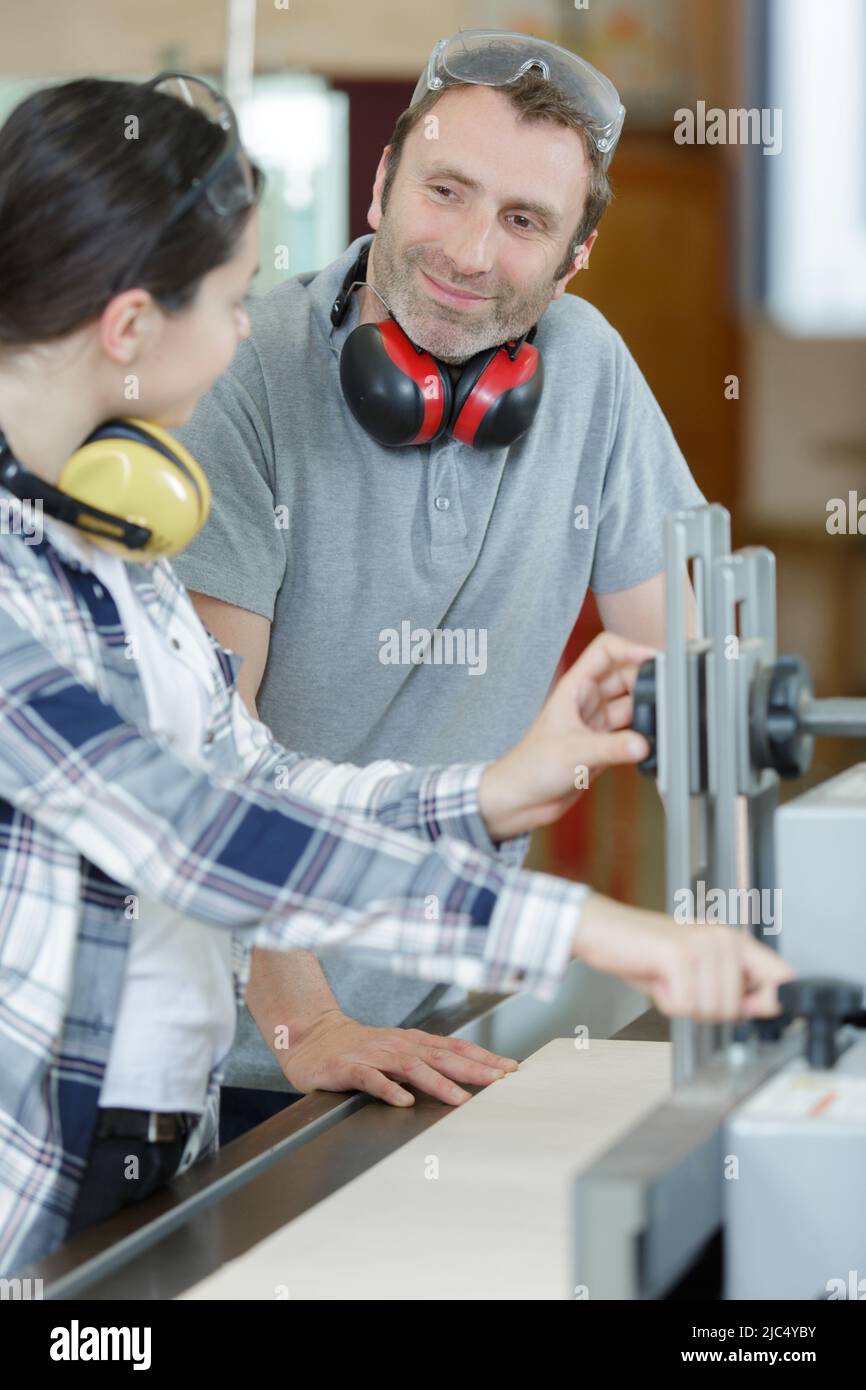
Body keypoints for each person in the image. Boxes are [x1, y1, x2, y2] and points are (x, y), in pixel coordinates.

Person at [0, 73, 791, 1275]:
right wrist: (595, 928)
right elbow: (204, 837)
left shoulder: (111, 558)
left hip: (139, 1152)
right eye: (227, 300)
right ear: (128, 331)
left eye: (522, 217)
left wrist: (485, 793)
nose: (246, 328)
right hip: (31, 1190)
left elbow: (247, 775)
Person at [170, 31, 713, 1119]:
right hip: (229, 1047)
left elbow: (690, 680)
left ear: (575, 256)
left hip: (434, 1021)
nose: (469, 252)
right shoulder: (243, 371)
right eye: (445, 191)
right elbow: (206, 756)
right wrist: (308, 1025)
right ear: (379, 182)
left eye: (523, 222)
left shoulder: (591, 370)